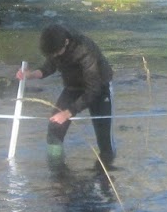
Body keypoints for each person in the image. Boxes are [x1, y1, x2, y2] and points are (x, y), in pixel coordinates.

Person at [16, 23, 115, 164]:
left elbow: (93, 89)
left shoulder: (85, 50)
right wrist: (32, 74)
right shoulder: (55, 45)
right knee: (54, 129)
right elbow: (50, 65)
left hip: (99, 88)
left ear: (66, 42)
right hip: (72, 87)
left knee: (104, 140)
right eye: (52, 54)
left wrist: (68, 112)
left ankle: (105, 179)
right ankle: (58, 174)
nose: (55, 56)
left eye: (57, 53)